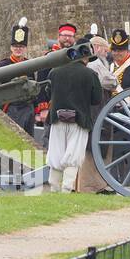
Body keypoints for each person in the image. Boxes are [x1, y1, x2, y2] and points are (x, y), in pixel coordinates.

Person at [45, 40, 102, 192]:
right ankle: (66, 188)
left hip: (57, 118)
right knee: (74, 155)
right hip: (79, 119)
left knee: (56, 153)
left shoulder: (54, 71)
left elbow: (48, 92)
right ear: (86, 57)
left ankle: (54, 187)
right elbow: (97, 99)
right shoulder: (90, 74)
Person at [76, 31, 118, 194]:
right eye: (105, 50)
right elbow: (109, 81)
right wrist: (114, 81)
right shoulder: (94, 64)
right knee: (92, 147)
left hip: (100, 108)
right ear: (97, 48)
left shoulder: (98, 63)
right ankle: (90, 185)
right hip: (96, 110)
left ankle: (98, 184)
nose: (107, 54)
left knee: (98, 146)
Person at [0, 18, 35, 135]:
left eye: (21, 47)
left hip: (27, 107)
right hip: (11, 106)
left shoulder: (29, 64)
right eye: (16, 46)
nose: (18, 49)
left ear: (25, 48)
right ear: (11, 48)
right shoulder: (3, 64)